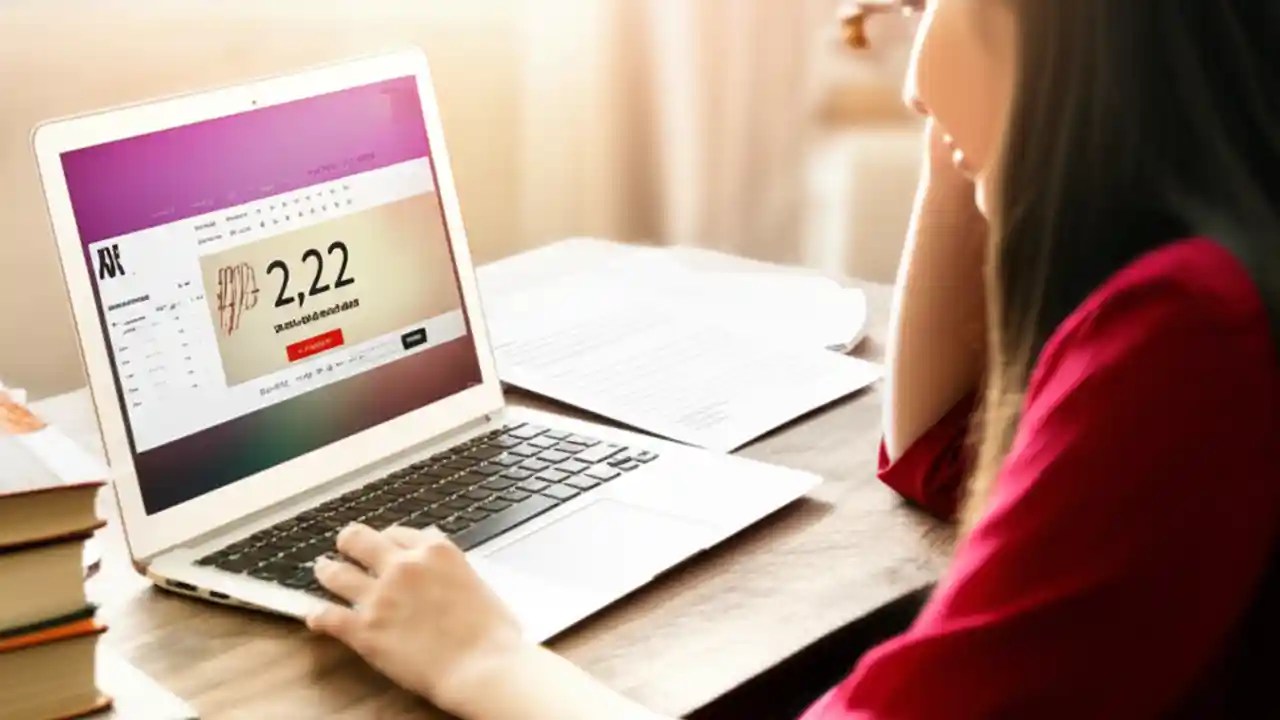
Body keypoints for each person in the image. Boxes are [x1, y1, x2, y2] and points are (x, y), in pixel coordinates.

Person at [304, 1, 1280, 717]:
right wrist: (977, 129)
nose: (906, 82)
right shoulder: (1203, 283)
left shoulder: (1180, 335)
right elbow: (943, 454)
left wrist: (481, 659)